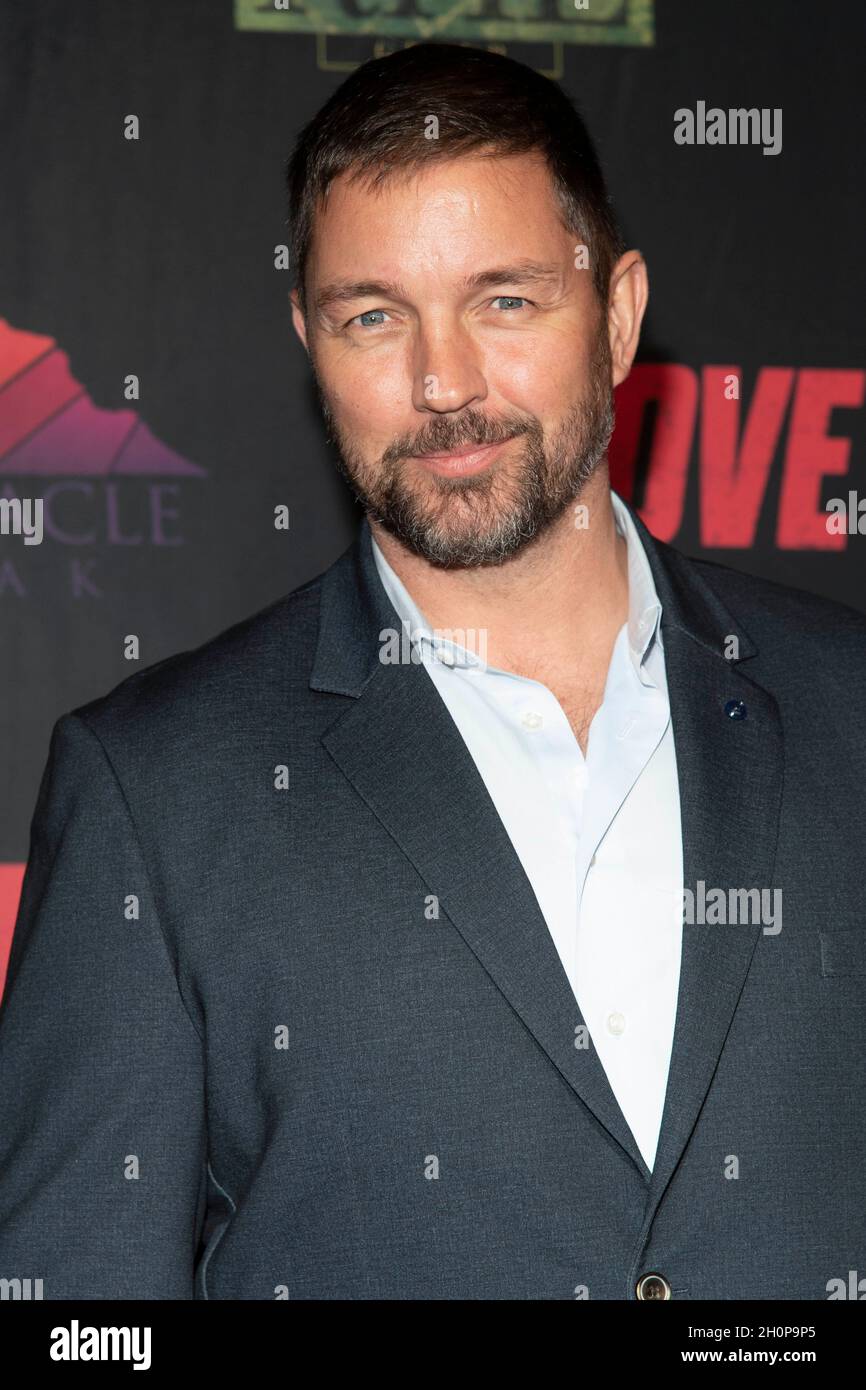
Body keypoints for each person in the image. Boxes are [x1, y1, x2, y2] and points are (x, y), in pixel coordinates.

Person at [1, 42, 864, 1302]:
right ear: (309, 338)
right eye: (372, 316)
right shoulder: (157, 790)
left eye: (504, 300)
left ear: (616, 317)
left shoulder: (846, 707)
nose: (442, 383)